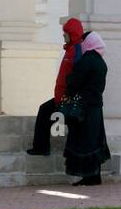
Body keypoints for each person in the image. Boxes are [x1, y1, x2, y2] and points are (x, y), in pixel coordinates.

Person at [27, 17, 85, 156]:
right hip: (61, 97)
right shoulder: (70, 50)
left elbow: (76, 76)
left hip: (68, 99)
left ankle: (42, 148)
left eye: (66, 33)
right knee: (44, 111)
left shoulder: (77, 52)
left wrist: (69, 97)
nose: (63, 35)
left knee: (45, 112)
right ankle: (41, 147)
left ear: (73, 34)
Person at [63, 31, 110, 186]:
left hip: (84, 107)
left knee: (84, 140)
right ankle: (94, 175)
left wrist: (68, 81)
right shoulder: (100, 61)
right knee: (94, 140)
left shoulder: (86, 60)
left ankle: (88, 176)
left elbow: (74, 81)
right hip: (96, 106)